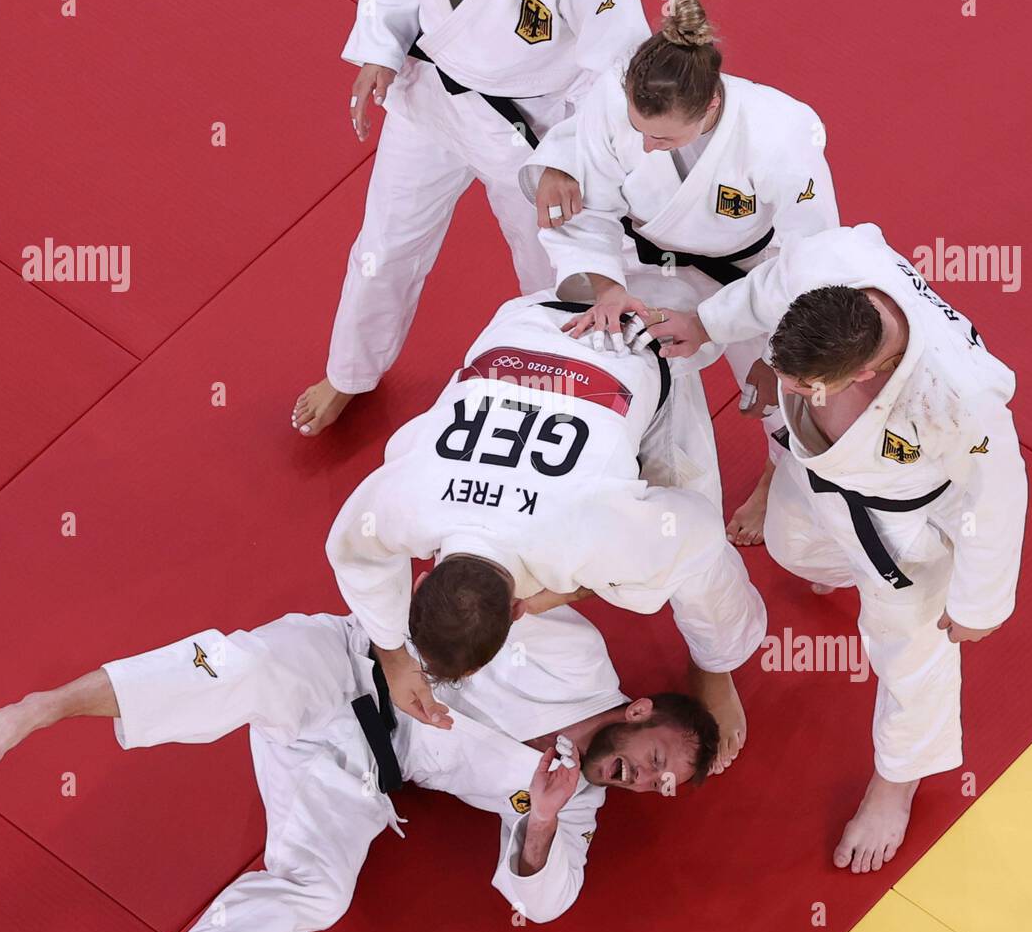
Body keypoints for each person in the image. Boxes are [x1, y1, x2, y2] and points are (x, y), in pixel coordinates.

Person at [0, 606, 717, 932]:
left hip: (354, 768)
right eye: (655, 760)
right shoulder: (575, 654)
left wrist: (541, 820)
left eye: (662, 786)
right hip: (347, 663)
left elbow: (543, 899)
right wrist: (409, 659)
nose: (647, 781)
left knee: (317, 893)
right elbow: (470, 595)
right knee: (240, 668)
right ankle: (47, 705)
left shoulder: (573, 804)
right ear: (638, 710)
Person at [653, 222, 1028, 872]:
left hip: (906, 525)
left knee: (910, 649)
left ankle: (897, 782)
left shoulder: (959, 393)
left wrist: (978, 603)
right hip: (818, 471)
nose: (783, 387)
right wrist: (710, 323)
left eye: (804, 384)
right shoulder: (832, 262)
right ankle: (835, 556)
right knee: (790, 547)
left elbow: (998, 496)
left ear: (865, 370)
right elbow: (769, 285)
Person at [293, 0, 649, 437]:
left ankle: (570, 399)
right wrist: (382, 42)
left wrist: (566, 160)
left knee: (557, 274)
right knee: (385, 244)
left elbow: (614, 75)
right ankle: (349, 372)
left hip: (530, 130)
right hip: (430, 94)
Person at [325, 285, 767, 768]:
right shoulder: (407, 498)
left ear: (519, 612)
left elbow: (699, 530)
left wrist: (586, 586)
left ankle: (715, 666)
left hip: (637, 345)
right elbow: (350, 547)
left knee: (699, 563)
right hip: (525, 319)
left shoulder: (587, 537)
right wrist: (393, 656)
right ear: (423, 578)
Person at [523, 0, 839, 544]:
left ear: (711, 107)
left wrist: (773, 355)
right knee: (622, 353)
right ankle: (642, 493)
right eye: (638, 129)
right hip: (644, 256)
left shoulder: (781, 133)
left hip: (754, 271)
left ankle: (773, 476)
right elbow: (594, 207)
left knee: (787, 404)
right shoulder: (613, 98)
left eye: (663, 138)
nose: (644, 147)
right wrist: (606, 288)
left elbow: (809, 258)